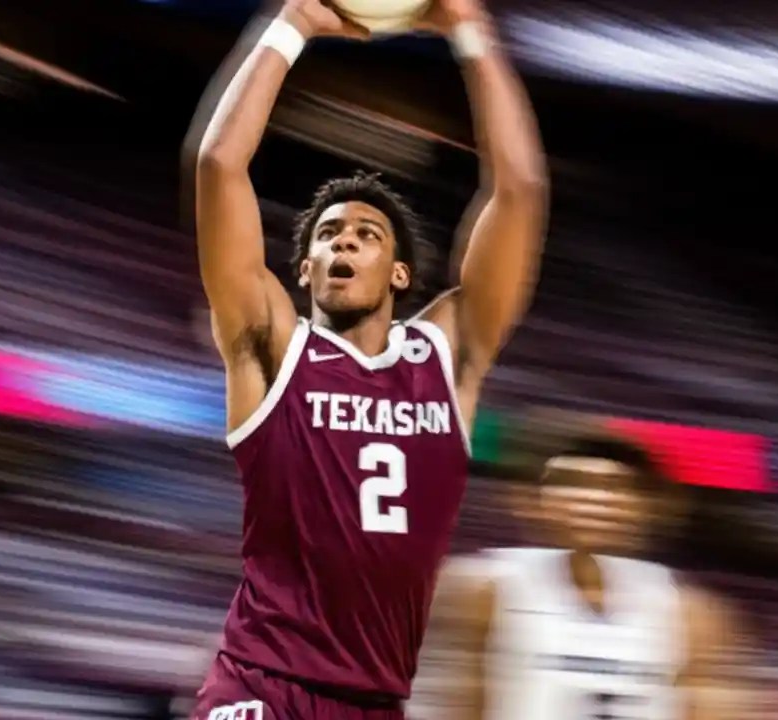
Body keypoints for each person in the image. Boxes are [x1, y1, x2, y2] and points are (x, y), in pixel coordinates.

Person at [187, 0, 547, 715]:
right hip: (261, 688)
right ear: (306, 270)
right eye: (327, 235)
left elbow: (521, 190)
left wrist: (470, 31)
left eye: (366, 234)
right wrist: (291, 25)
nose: (344, 242)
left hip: (377, 699)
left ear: (401, 276)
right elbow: (219, 165)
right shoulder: (274, 348)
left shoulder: (445, 355)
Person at [409, 432, 754, 720]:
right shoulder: (483, 588)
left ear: (648, 506)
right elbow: (449, 705)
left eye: (612, 487)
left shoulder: (693, 611)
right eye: (570, 484)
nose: (591, 500)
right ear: (533, 499)